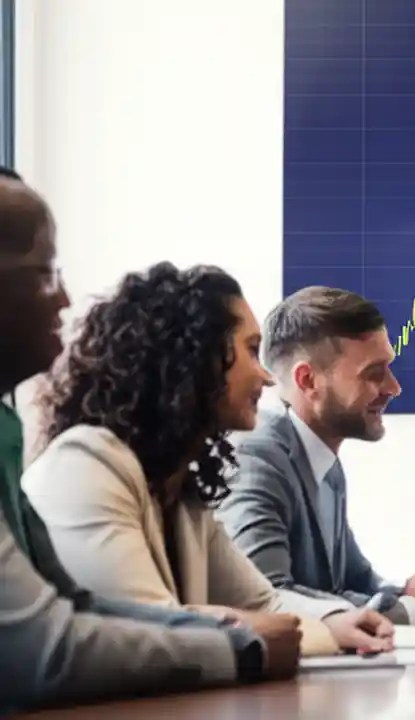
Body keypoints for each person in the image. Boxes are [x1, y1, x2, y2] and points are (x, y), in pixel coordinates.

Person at [0, 169, 299, 712]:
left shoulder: (8, 433)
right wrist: (240, 648)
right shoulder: (86, 462)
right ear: (192, 359)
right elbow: (41, 648)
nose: (65, 297)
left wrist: (240, 635)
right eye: (45, 274)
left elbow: (82, 606)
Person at [22, 262, 395, 655]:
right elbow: (152, 629)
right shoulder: (87, 464)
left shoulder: (183, 494)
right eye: (251, 350)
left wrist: (335, 623)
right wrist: (270, 630)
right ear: (195, 358)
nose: (268, 378)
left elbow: (263, 603)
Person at [218, 286, 415, 633]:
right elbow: (265, 599)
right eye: (373, 373)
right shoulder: (255, 457)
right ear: (308, 380)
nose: (393, 387)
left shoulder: (325, 463)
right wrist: (413, 611)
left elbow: (355, 581)